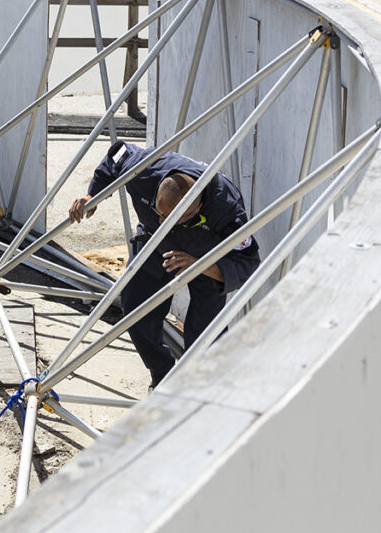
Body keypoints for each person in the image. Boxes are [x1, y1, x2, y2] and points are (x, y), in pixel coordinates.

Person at [68, 145, 259, 388]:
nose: (163, 221)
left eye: (171, 219)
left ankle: (204, 394)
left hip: (205, 259)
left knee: (205, 337)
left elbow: (248, 262)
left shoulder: (226, 209)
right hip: (155, 243)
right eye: (160, 213)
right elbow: (116, 153)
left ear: (196, 209)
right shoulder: (143, 167)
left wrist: (200, 265)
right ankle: (163, 377)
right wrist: (93, 195)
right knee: (136, 310)